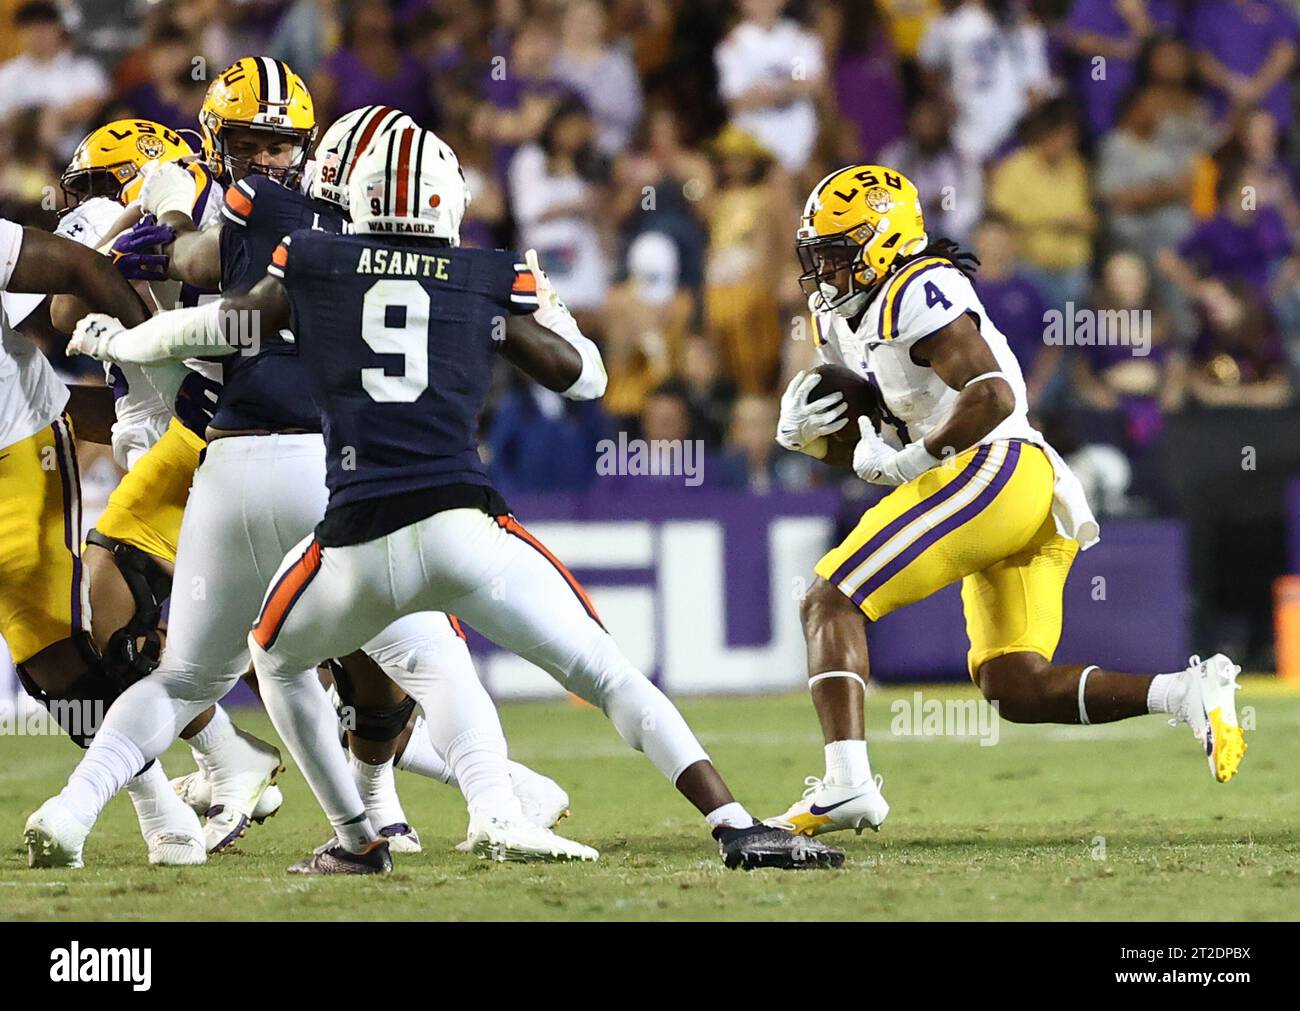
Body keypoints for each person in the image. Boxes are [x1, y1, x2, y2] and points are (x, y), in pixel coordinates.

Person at [61, 127, 846, 873]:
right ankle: (733, 822)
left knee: (274, 655)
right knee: (607, 672)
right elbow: (586, 379)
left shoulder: (314, 262)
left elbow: (214, 328)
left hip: (356, 537)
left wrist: (117, 342)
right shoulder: (486, 276)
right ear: (450, 200)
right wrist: (555, 310)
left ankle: (357, 837)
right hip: (468, 527)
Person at [767, 164, 1246, 837]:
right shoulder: (849, 321)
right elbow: (881, 441)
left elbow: (991, 394)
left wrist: (909, 458)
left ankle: (847, 786)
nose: (822, 271)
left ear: (883, 242)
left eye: (836, 254)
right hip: (1007, 489)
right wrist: (815, 439)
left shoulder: (917, 286)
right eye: (815, 256)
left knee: (830, 596)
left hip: (996, 468)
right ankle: (1188, 690)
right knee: (1015, 684)